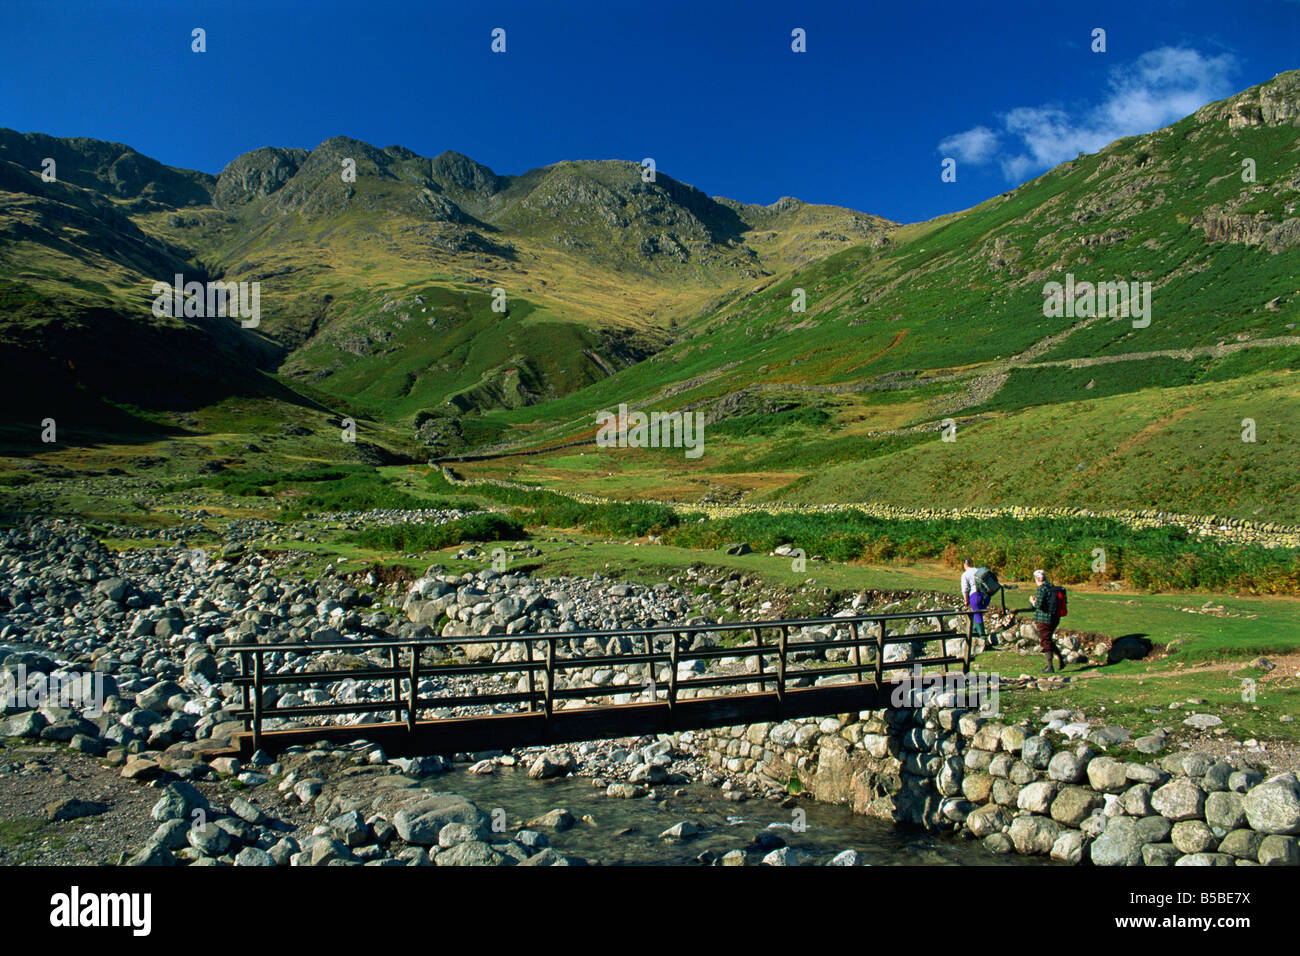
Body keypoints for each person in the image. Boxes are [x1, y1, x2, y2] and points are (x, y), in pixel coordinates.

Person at [1030, 569, 1065, 673]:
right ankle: (1061, 659)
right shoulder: (1051, 587)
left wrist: (1032, 601)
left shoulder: (1042, 589)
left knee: (1045, 640)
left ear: (1037, 579)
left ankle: (1050, 666)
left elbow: (1038, 605)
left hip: (1044, 619)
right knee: (1048, 639)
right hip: (1055, 617)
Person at [960, 558, 989, 638]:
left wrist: (966, 601)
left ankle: (981, 635)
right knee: (978, 613)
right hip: (985, 595)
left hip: (975, 594)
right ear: (972, 563)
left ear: (965, 564)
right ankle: (974, 631)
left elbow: (965, 589)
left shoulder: (965, 574)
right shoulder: (978, 570)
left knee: (976, 613)